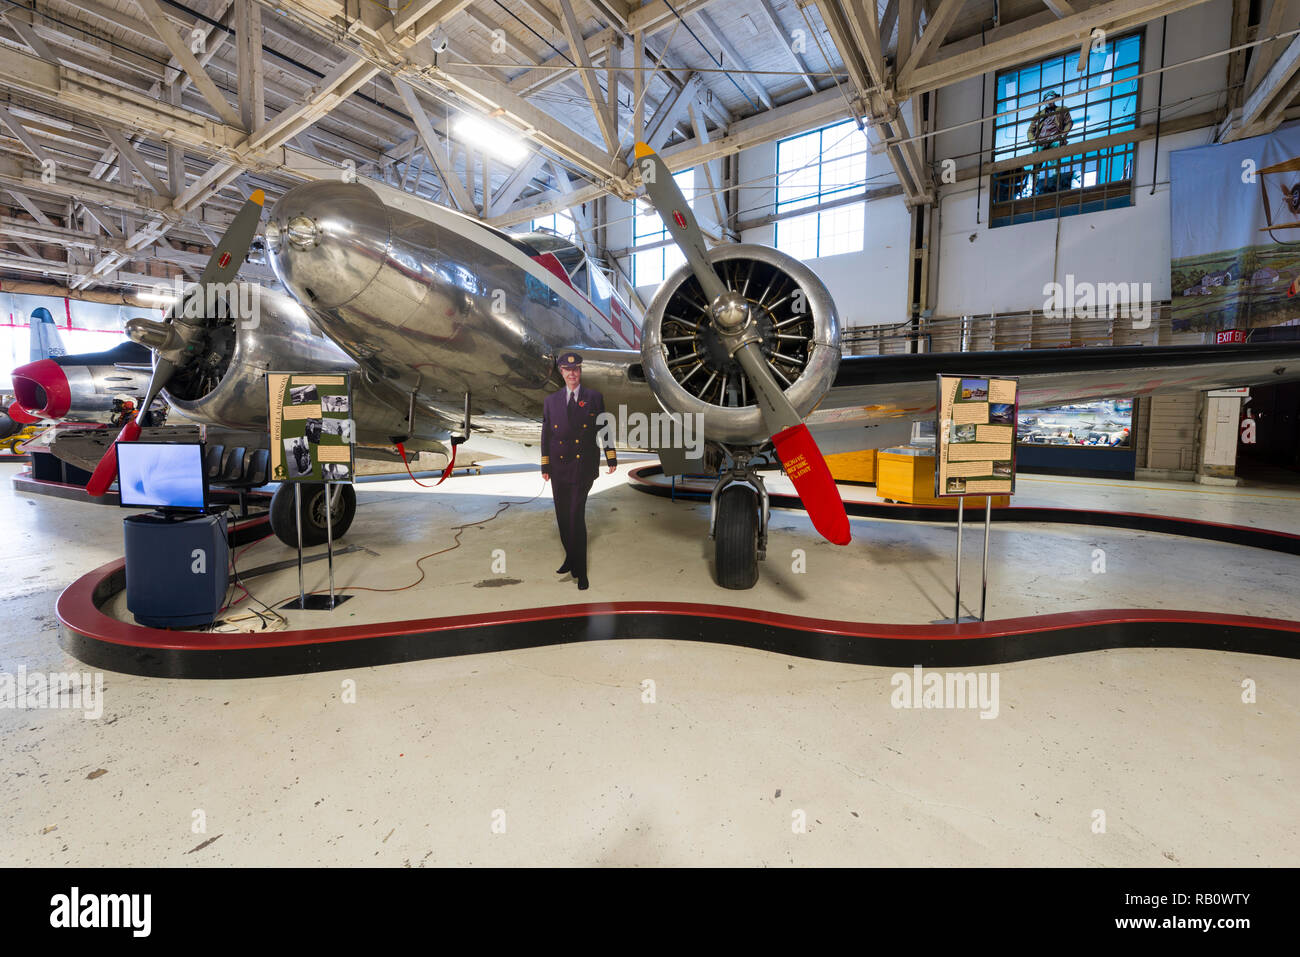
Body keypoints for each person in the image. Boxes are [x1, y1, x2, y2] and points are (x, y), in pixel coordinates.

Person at [541, 352, 615, 590]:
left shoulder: (594, 397)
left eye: (576, 370)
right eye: (567, 370)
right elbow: (546, 435)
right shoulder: (550, 401)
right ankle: (570, 557)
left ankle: (580, 572)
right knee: (562, 518)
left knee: (575, 517)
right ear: (561, 373)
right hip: (558, 466)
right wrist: (545, 465)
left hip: (582, 467)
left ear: (580, 372)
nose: (572, 374)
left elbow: (604, 428)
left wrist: (610, 455)